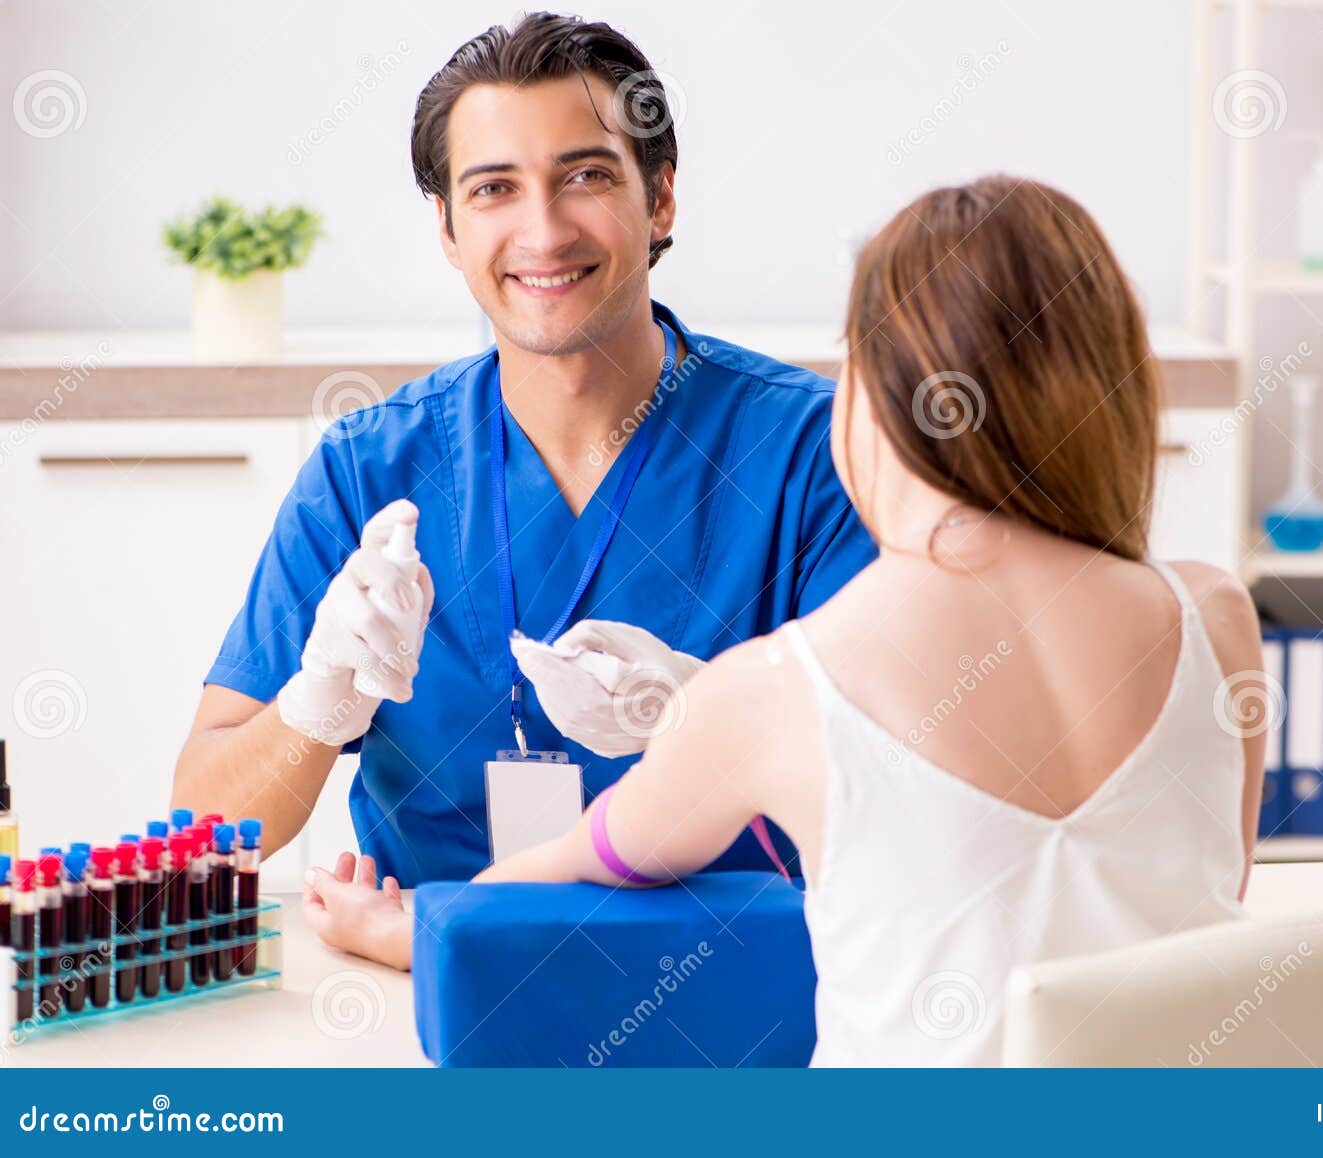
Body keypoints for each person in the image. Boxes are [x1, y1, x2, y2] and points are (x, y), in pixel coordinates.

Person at [303, 175, 1267, 1066]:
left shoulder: (779, 687)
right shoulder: (1218, 620)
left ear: (875, 399)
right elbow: (1200, 893)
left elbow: (541, 888)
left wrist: (397, 927)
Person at [172, 13, 875, 884]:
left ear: (658, 199)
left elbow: (899, 791)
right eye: (494, 189)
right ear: (448, 228)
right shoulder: (369, 470)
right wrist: (316, 702)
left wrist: (712, 715)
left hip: (725, 985)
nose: (543, 233)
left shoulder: (815, 452)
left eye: (584, 175)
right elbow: (204, 832)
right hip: (430, 1000)